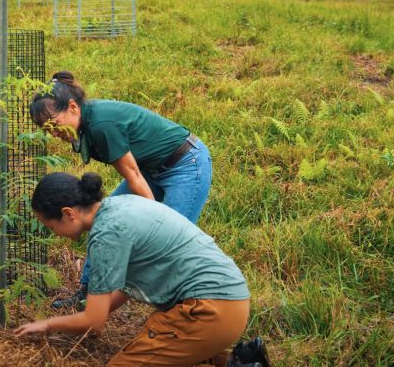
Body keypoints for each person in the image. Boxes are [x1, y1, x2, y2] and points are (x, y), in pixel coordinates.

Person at [14, 173, 267, 367]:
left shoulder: (106, 236)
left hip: (208, 311)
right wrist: (85, 316)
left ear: (68, 213)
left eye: (50, 227)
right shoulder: (121, 205)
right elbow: (122, 290)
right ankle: (240, 360)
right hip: (233, 301)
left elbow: (94, 322)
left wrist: (47, 324)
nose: (54, 235)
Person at [30, 71, 213, 310]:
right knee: (101, 220)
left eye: (54, 124)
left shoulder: (102, 125)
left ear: (73, 107)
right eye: (47, 130)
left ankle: (188, 308)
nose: (54, 133)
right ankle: (87, 294)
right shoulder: (85, 123)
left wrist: (156, 221)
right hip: (150, 169)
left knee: (169, 242)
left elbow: (133, 176)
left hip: (185, 165)